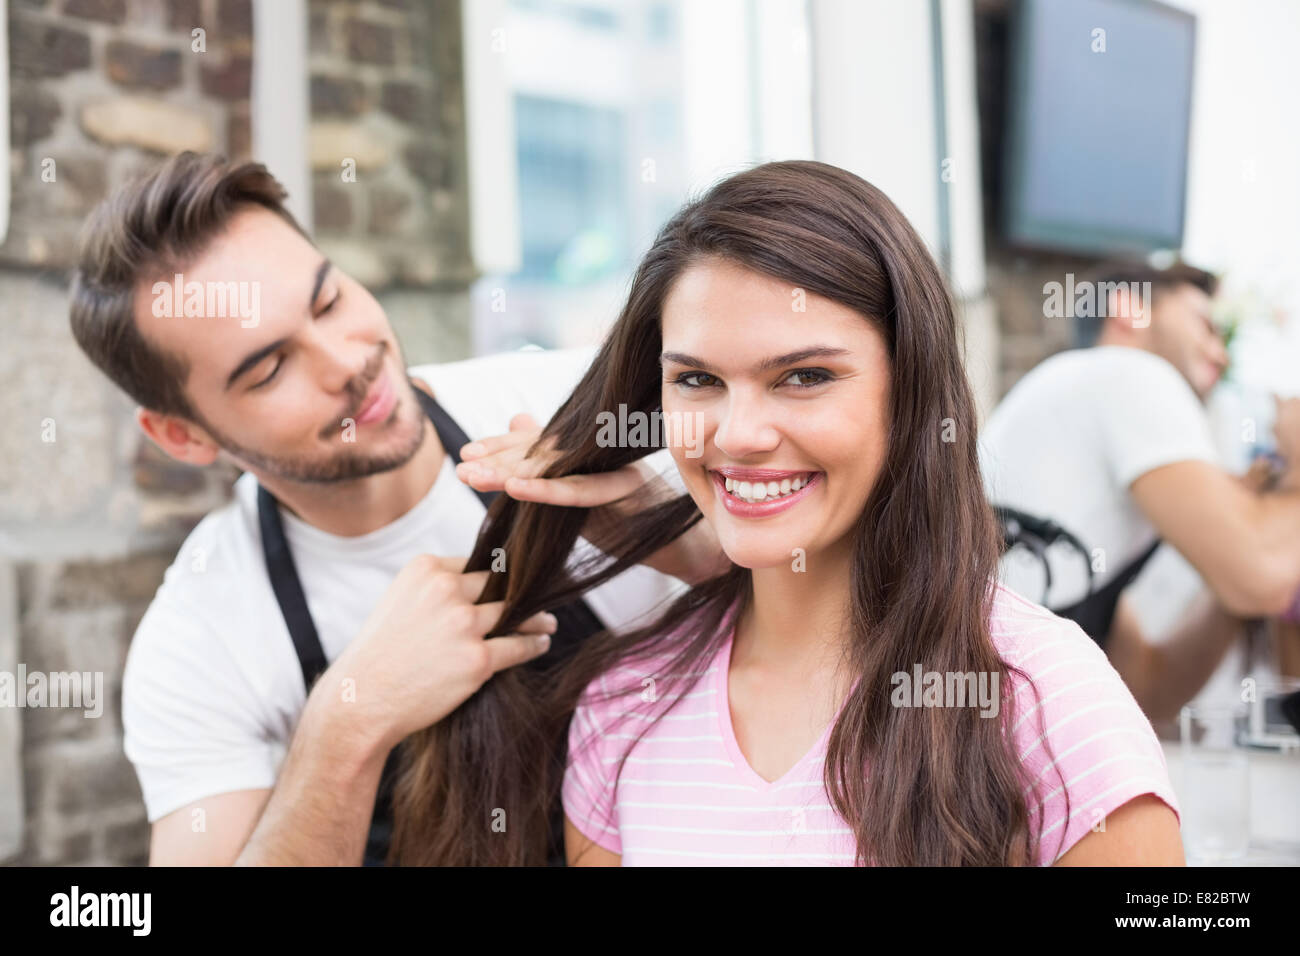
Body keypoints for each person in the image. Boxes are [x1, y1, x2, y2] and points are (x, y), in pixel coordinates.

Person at [393, 160, 1185, 866]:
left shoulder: (1045, 701)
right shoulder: (625, 703)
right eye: (697, 381)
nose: (737, 436)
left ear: (909, 392)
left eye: (804, 377)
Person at [67, 151, 709, 866]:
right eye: (271, 367)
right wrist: (348, 721)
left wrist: (691, 546)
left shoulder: (582, 408)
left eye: (329, 301)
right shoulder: (202, 635)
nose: (346, 362)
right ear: (182, 435)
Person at [979, 262, 1300, 721]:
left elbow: (1145, 691)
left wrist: (1231, 571)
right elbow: (1263, 577)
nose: (1220, 354)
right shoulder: (1130, 372)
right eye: (1205, 326)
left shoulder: (1074, 418)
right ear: (1129, 311)